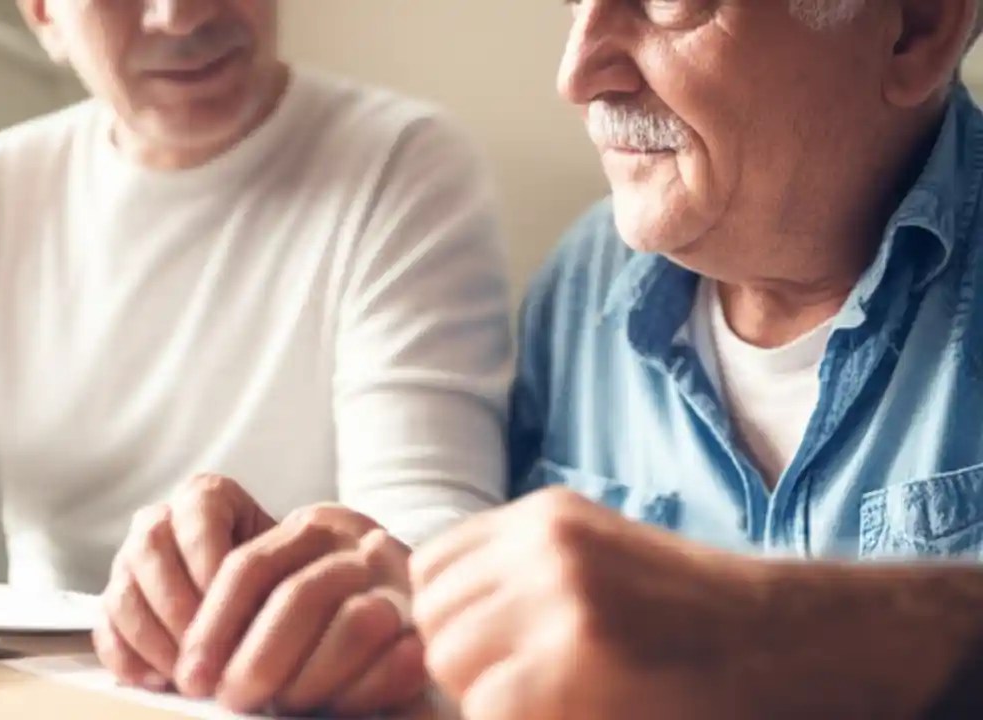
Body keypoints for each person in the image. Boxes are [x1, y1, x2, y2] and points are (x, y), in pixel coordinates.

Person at [0, 0, 511, 713]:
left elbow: (429, 517)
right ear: (45, 16)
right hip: (42, 696)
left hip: (293, 695)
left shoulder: (403, 161)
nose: (181, 15)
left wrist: (350, 599)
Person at [410, 1, 983, 718]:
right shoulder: (581, 281)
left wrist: (775, 627)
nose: (579, 75)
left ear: (916, 29)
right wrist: (402, 606)